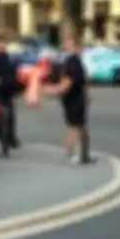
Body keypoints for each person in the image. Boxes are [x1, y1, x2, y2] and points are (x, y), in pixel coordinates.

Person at [44, 33, 92, 164]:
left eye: (68, 42)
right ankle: (80, 154)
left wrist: (53, 90)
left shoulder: (72, 61)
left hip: (74, 98)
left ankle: (75, 153)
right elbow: (75, 81)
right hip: (75, 98)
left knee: (74, 126)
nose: (66, 45)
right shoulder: (73, 61)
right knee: (77, 126)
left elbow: (70, 82)